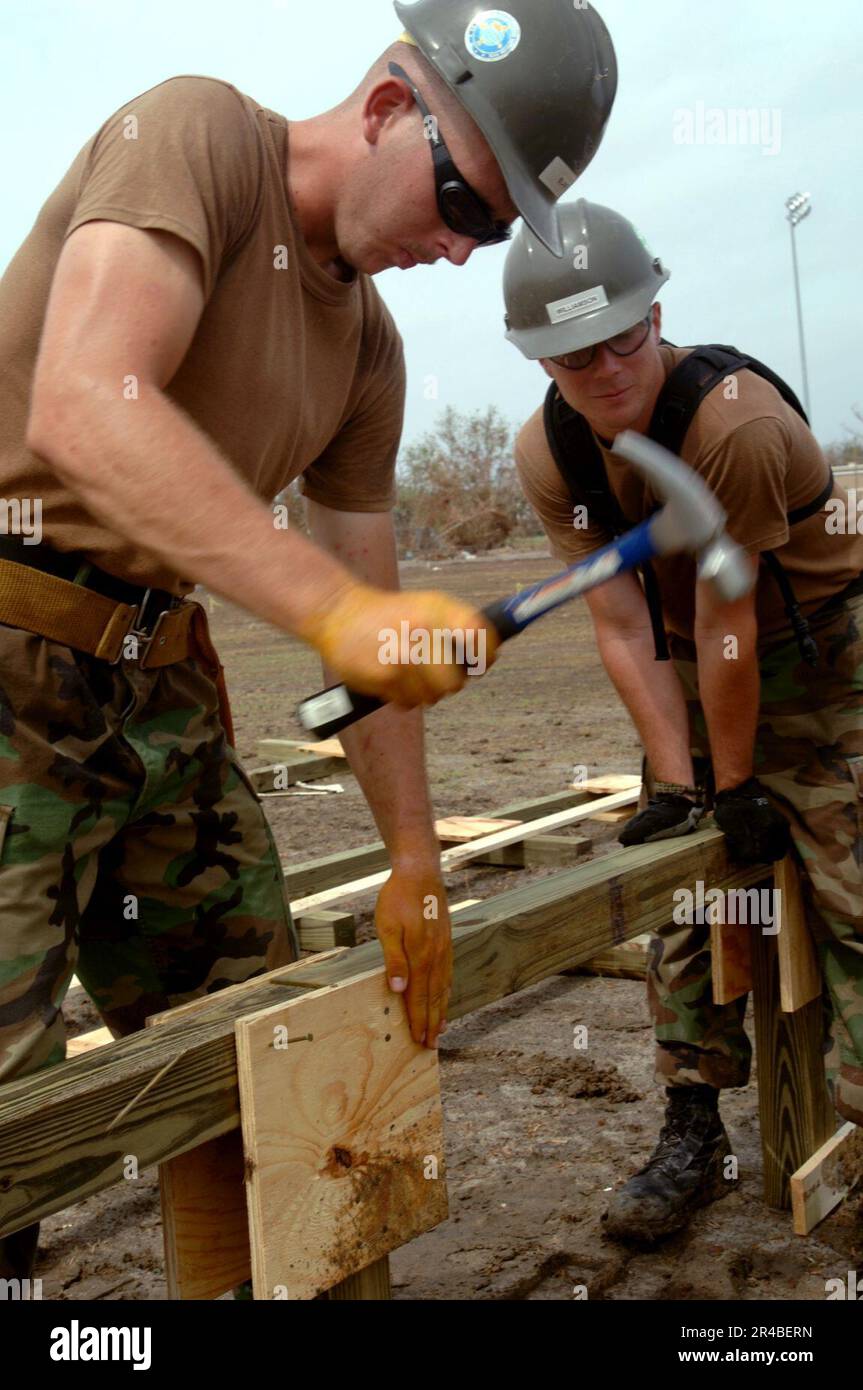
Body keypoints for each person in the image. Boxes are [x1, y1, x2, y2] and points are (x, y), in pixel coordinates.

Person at [0, 3, 618, 1280]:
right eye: (462, 197)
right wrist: (338, 615)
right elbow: (84, 399)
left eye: (491, 230)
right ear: (390, 106)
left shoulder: (367, 353)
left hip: (155, 681)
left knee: (259, 1052)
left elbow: (368, 625)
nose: (459, 248)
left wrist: (409, 858)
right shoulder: (197, 136)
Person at [506, 198, 863, 1242]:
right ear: (538, 358)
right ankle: (691, 1128)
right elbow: (624, 626)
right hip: (696, 665)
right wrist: (679, 783)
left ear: (656, 310)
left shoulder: (733, 424)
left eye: (626, 335)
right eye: (576, 355)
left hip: (824, 660)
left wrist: (741, 781)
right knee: (694, 905)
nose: (609, 366)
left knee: (853, 907)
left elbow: (729, 624)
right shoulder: (550, 456)